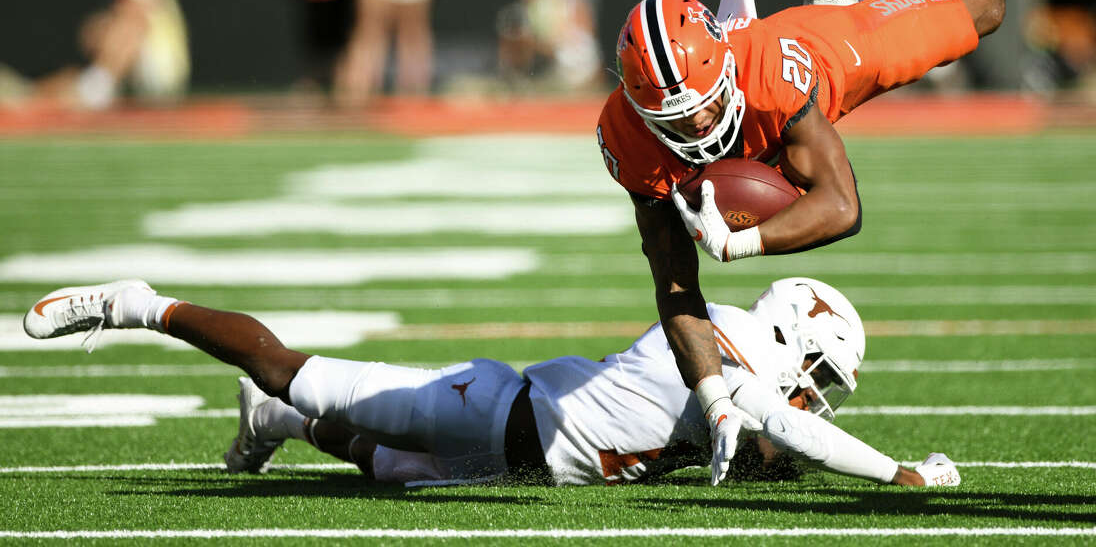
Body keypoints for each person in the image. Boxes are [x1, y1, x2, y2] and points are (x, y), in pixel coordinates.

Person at [595, 0, 1037, 483]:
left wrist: (740, 245)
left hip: (819, 65)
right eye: (675, 115)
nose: (698, 122)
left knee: (981, 4)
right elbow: (674, 282)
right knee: (740, 176)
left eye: (705, 102)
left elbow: (842, 206)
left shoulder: (769, 68)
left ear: (723, 72)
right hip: (761, 112)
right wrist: (714, 398)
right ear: (640, 107)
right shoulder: (630, 135)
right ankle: (830, 2)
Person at [23, 275, 959, 488]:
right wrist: (897, 473)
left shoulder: (743, 361)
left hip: (520, 461)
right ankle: (142, 305)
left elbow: (768, 451)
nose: (817, 389)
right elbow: (785, 429)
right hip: (493, 409)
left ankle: (274, 422)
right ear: (794, 330)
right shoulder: (735, 344)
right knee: (292, 368)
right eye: (822, 370)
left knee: (383, 470)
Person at [26, 0, 189, 110]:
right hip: (148, 84)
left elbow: (91, 37)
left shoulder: (142, 15)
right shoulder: (161, 5)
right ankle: (32, 93)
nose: (121, 3)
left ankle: (90, 91)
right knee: (68, 78)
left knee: (126, 28)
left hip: (157, 85)